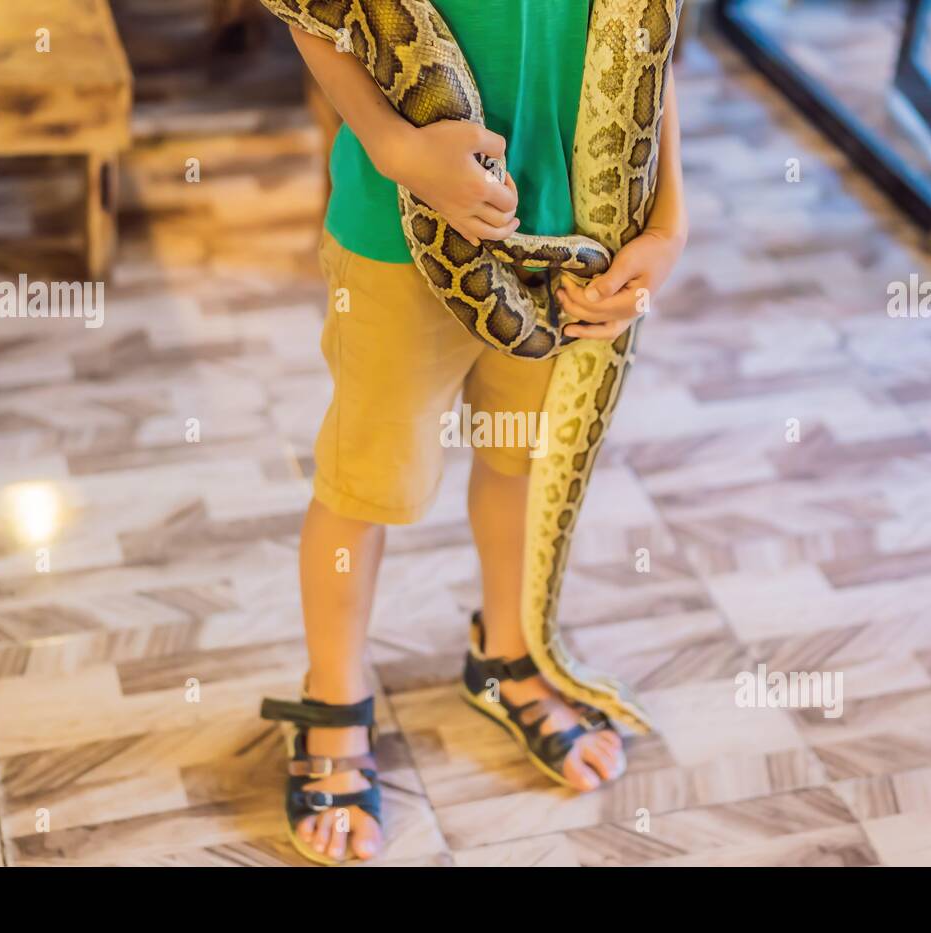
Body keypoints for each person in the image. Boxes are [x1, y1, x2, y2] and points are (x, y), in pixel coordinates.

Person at [269, 0, 686, 864]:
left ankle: (511, 656)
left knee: (526, 463)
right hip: (393, 234)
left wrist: (666, 221)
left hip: (574, 226)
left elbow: (654, 40)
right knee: (365, 484)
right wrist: (391, 145)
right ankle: (334, 700)